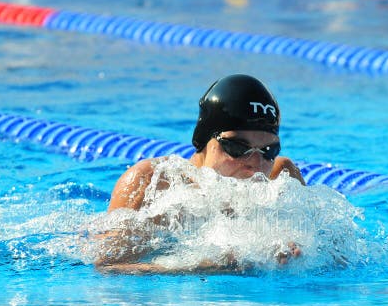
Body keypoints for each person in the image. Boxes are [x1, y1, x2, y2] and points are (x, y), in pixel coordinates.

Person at [95, 74, 305, 272]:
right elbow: (108, 267)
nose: (256, 165)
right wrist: (211, 264)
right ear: (204, 139)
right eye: (238, 148)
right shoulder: (151, 183)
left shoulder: (281, 176)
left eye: (269, 151)